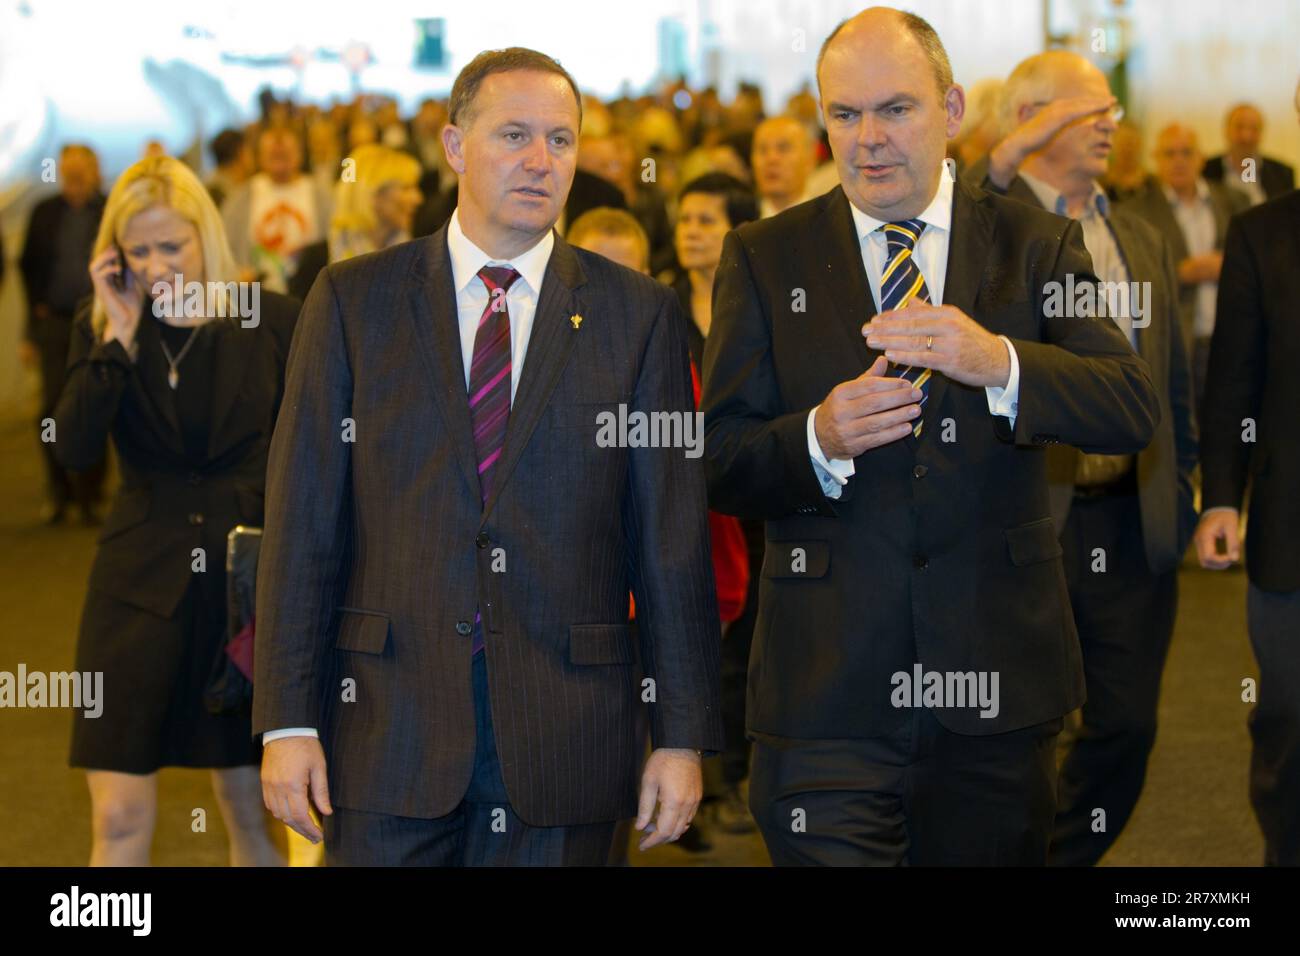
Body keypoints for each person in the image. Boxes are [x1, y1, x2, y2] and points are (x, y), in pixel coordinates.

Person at [701, 7, 1158, 866]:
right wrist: (817, 437)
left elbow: (1128, 406)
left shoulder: (1035, 244)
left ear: (950, 111)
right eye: (844, 114)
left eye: (895, 110)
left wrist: (1002, 363)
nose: (868, 138)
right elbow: (717, 458)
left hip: (995, 687)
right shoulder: (765, 255)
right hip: (825, 694)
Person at [255, 47, 724, 867]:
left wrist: (681, 736)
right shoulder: (351, 301)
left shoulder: (638, 317)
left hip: (567, 735)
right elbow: (302, 523)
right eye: (514, 135)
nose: (541, 160)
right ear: (453, 145)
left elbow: (670, 545)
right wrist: (288, 720)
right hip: (386, 729)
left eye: (561, 140)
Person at [51, 155, 299, 866]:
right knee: (120, 820)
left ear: (206, 239)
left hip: (245, 593)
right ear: (114, 255)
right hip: (137, 592)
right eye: (139, 250)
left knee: (251, 813)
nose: (158, 265)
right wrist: (119, 339)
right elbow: (70, 448)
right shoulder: (104, 330)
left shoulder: (269, 319)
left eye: (173, 246)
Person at [985, 50, 1198, 866]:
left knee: (1128, 725)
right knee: (1023, 728)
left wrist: (1181, 494)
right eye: (1090, 107)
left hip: (1132, 518)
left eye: (1114, 107)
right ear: (1033, 119)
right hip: (1028, 521)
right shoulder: (990, 226)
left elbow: (1169, 383)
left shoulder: (1138, 236)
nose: (1113, 121)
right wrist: (1001, 158)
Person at [1195, 91, 1300, 864]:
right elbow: (1232, 381)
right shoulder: (1262, 235)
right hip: (1289, 531)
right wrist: (1221, 498)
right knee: (1288, 720)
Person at [1122, 123, 1248, 410]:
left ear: (1201, 158)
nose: (1179, 161)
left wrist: (1230, 266)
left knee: (1231, 419)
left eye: (1186, 153)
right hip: (1175, 340)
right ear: (1155, 160)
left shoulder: (1233, 201)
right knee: (1181, 425)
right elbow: (1131, 281)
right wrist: (1180, 273)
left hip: (1230, 333)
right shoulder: (1136, 213)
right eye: (1169, 154)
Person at [19, 144, 108, 525]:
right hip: (54, 324)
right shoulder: (44, 213)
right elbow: (28, 267)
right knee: (52, 409)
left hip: (98, 323)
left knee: (96, 404)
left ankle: (90, 492)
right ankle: (59, 489)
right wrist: (30, 328)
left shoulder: (109, 212)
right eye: (68, 172)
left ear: (94, 171)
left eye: (81, 171)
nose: (74, 179)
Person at [288, 143, 423, 301]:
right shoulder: (316, 262)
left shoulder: (417, 259)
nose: (418, 198)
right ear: (373, 195)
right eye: (406, 188)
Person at [221, 126, 332, 292]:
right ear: (259, 156)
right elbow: (223, 244)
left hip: (310, 292)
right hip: (257, 295)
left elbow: (335, 243)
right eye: (273, 155)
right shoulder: (239, 199)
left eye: (285, 154)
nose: (279, 157)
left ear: (300, 154)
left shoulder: (322, 195)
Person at [1203, 103, 1296, 207]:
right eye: (1239, 127)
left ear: (1261, 133)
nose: (1246, 136)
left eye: (1254, 129)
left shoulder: (1282, 173)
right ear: (1226, 130)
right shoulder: (1204, 169)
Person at [751, 116, 816, 218]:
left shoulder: (831, 222)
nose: (771, 159)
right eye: (763, 150)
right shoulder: (738, 225)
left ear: (810, 160)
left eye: (783, 149)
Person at [206, 128, 254, 209]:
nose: (252, 156)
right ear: (240, 153)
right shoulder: (223, 194)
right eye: (248, 149)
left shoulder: (210, 183)